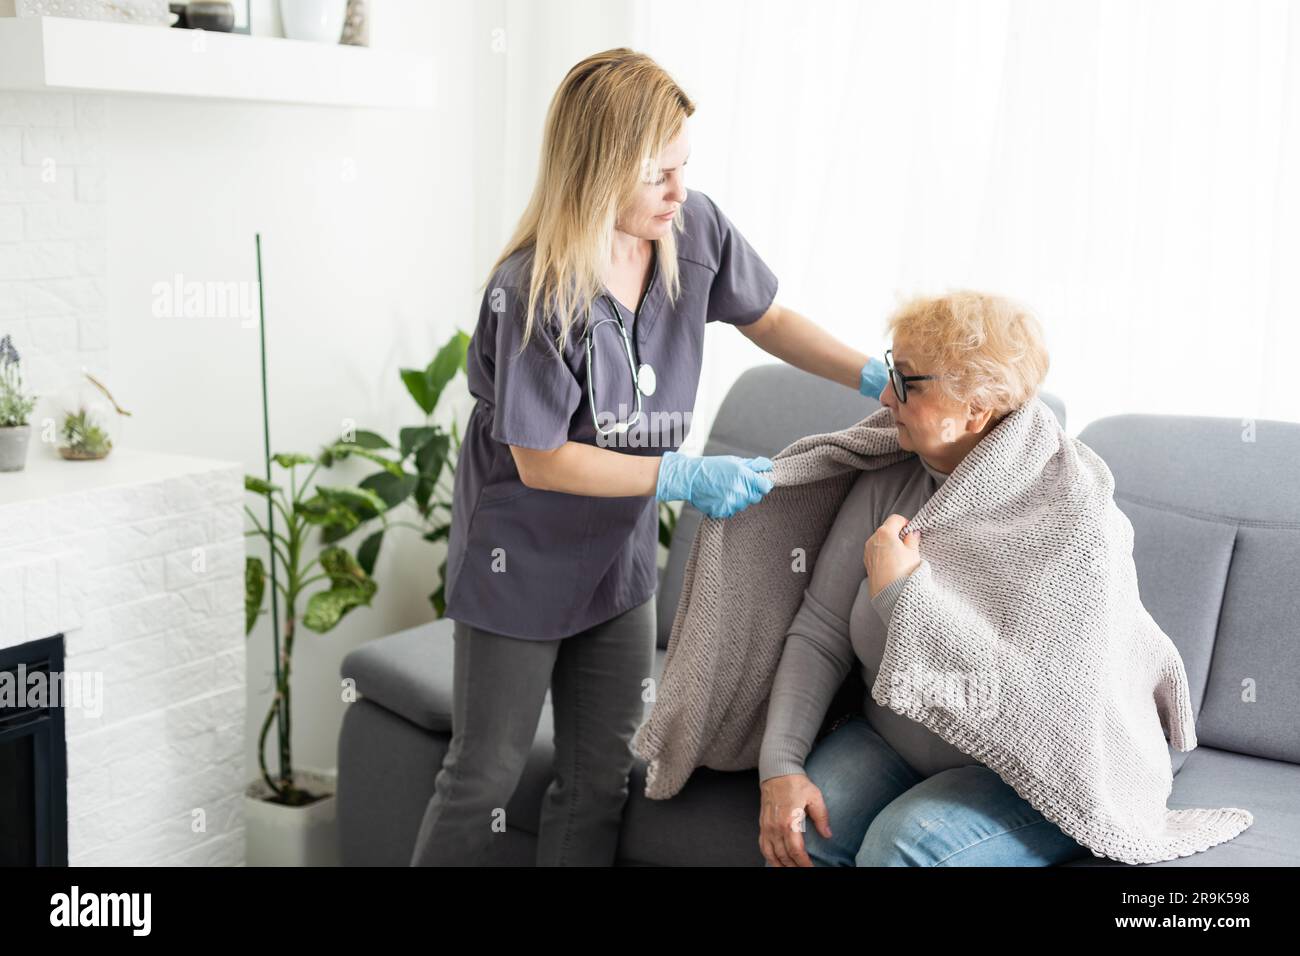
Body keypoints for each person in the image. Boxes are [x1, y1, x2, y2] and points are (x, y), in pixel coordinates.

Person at [410, 47, 892, 867]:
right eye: (656, 175)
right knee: (484, 774)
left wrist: (868, 376)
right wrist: (679, 474)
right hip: (518, 556)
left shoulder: (690, 228)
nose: (678, 191)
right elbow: (541, 460)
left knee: (600, 776)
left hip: (618, 558)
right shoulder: (530, 289)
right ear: (598, 170)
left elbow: (768, 318)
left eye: (684, 167)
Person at [757, 290, 1092, 866]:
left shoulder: (1069, 514)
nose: (886, 396)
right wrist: (780, 768)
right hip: (889, 739)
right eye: (893, 372)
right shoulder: (890, 478)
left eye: (908, 383)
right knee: (802, 833)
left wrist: (901, 594)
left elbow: (1020, 695)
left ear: (976, 409)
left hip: (1025, 771)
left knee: (900, 847)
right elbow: (820, 631)